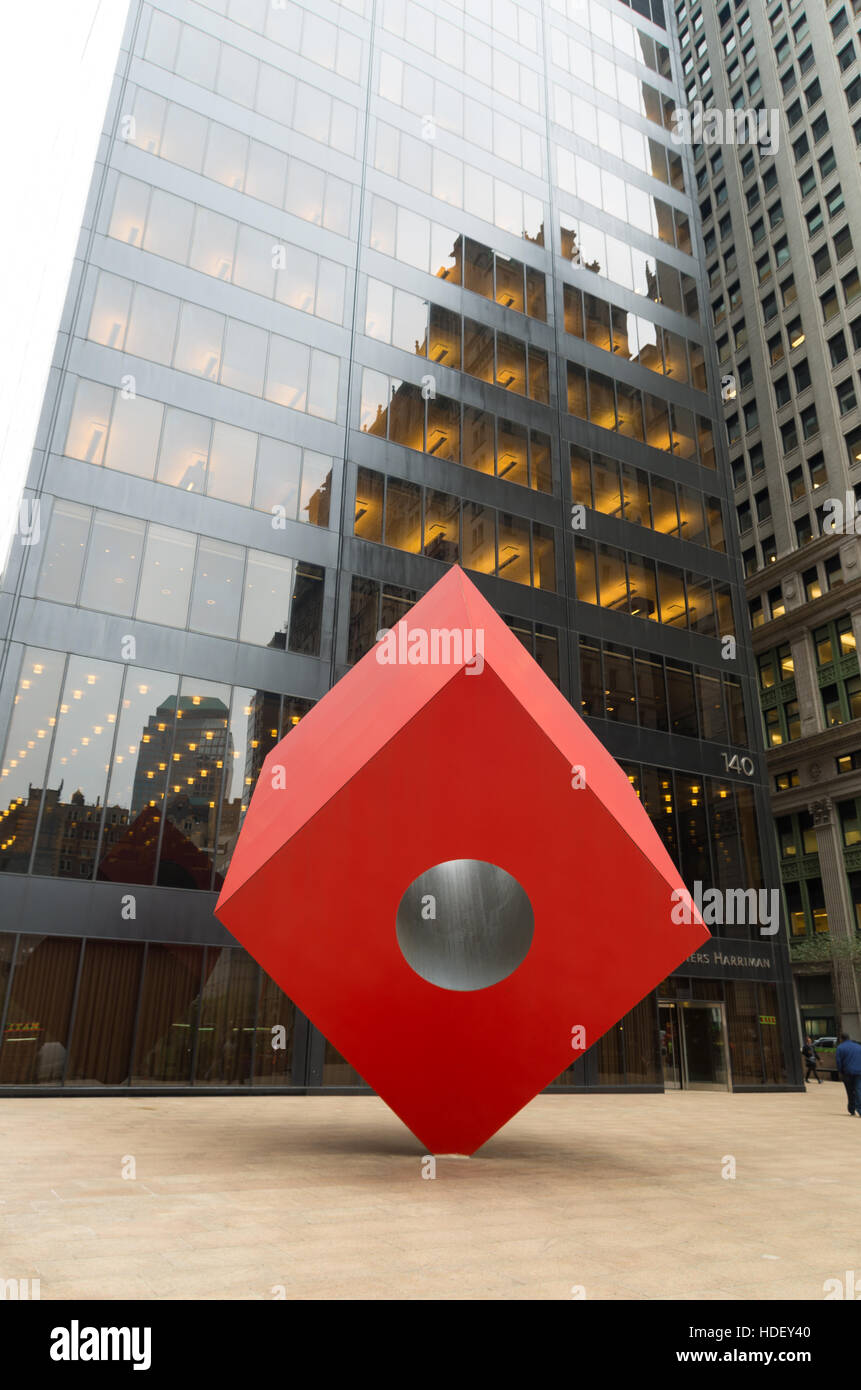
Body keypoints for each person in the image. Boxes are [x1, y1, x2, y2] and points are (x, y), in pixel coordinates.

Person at [835, 1033, 861, 1116]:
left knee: (850, 1091)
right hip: (859, 1071)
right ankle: (859, 1109)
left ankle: (852, 1109)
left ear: (841, 1039)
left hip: (847, 1072)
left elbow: (838, 1062)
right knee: (858, 1090)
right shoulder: (858, 1046)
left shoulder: (840, 1048)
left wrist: (840, 1071)